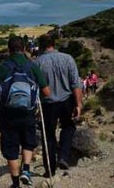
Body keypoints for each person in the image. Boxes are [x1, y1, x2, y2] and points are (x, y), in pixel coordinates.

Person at [0, 36, 51, 187]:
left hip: (7, 114)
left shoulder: (2, 68)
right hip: (28, 113)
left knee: (11, 148)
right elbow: (47, 92)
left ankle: (15, 183)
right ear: (24, 49)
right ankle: (26, 169)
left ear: (9, 50)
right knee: (28, 141)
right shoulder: (32, 66)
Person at [35, 34, 83, 176]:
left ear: (41, 46)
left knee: (48, 135)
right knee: (68, 127)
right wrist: (78, 104)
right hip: (66, 100)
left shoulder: (37, 63)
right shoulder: (68, 59)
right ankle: (63, 156)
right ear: (53, 44)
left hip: (47, 103)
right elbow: (76, 84)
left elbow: (34, 87)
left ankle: (50, 169)